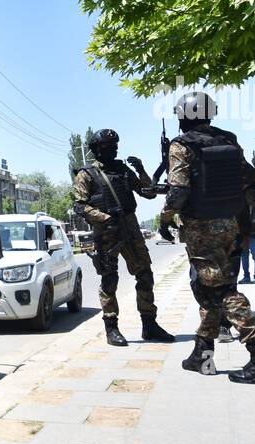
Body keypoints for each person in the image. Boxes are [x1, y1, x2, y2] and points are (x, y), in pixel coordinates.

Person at [157, 92, 255, 383]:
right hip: (229, 222)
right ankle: (202, 352)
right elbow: (250, 178)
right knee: (209, 289)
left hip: (201, 227)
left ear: (184, 116)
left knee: (221, 291)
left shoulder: (182, 145)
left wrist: (164, 219)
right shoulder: (229, 140)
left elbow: (178, 191)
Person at [71, 129, 176, 346]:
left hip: (130, 227)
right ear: (98, 150)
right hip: (107, 231)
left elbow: (148, 192)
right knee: (110, 280)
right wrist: (104, 218)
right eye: (109, 146)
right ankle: (111, 328)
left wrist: (141, 170)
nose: (114, 150)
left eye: (116, 145)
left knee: (145, 274)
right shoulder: (86, 174)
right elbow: (79, 206)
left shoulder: (123, 170)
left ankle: (150, 325)